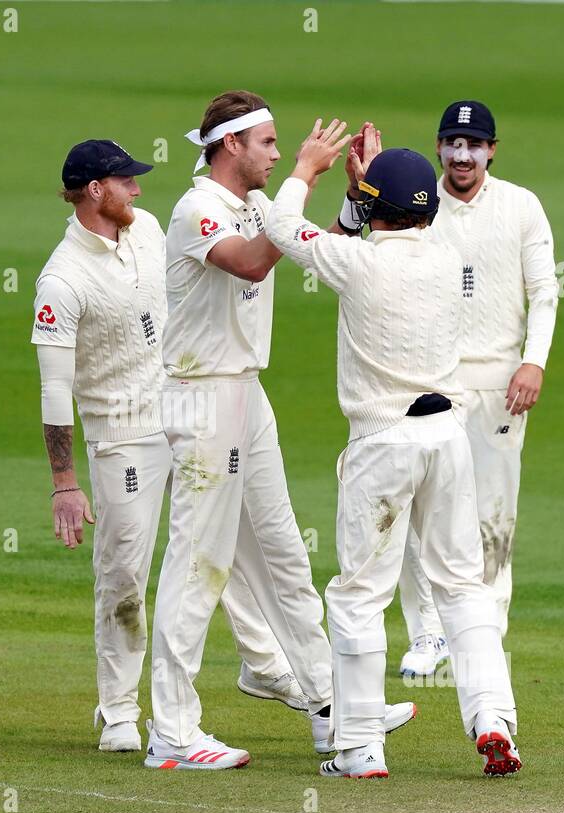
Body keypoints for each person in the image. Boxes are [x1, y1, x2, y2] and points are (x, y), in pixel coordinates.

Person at [145, 92, 413, 772]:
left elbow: (309, 247)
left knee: (285, 555)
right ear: (231, 145)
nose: (275, 152)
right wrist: (305, 174)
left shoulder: (254, 207)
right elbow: (253, 262)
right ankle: (171, 732)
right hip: (200, 396)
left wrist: (356, 200)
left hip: (244, 393)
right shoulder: (196, 207)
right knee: (198, 561)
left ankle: (334, 709)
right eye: (267, 142)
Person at [32, 139, 309, 754]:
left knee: (220, 544)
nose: (137, 189)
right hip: (121, 437)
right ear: (95, 190)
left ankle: (266, 666)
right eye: (125, 181)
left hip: (181, 410)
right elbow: (55, 389)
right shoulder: (61, 279)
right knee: (124, 573)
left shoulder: (152, 227)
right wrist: (63, 482)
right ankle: (120, 711)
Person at [265, 120, 521, 778]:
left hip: (384, 441)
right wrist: (370, 187)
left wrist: (307, 168)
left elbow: (280, 225)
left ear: (375, 210)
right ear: (429, 209)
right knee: (463, 586)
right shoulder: (444, 254)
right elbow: (393, 218)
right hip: (448, 439)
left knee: (357, 597)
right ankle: (493, 718)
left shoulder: (354, 262)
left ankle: (358, 748)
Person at [397, 100, 560, 677]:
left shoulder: (520, 206)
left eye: (473, 144)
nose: (461, 155)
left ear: (492, 149)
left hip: (499, 383)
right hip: (430, 381)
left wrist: (532, 362)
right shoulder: (417, 204)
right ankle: (428, 638)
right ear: (438, 147)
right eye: (451, 142)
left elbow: (543, 292)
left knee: (493, 515)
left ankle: (485, 640)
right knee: (423, 511)